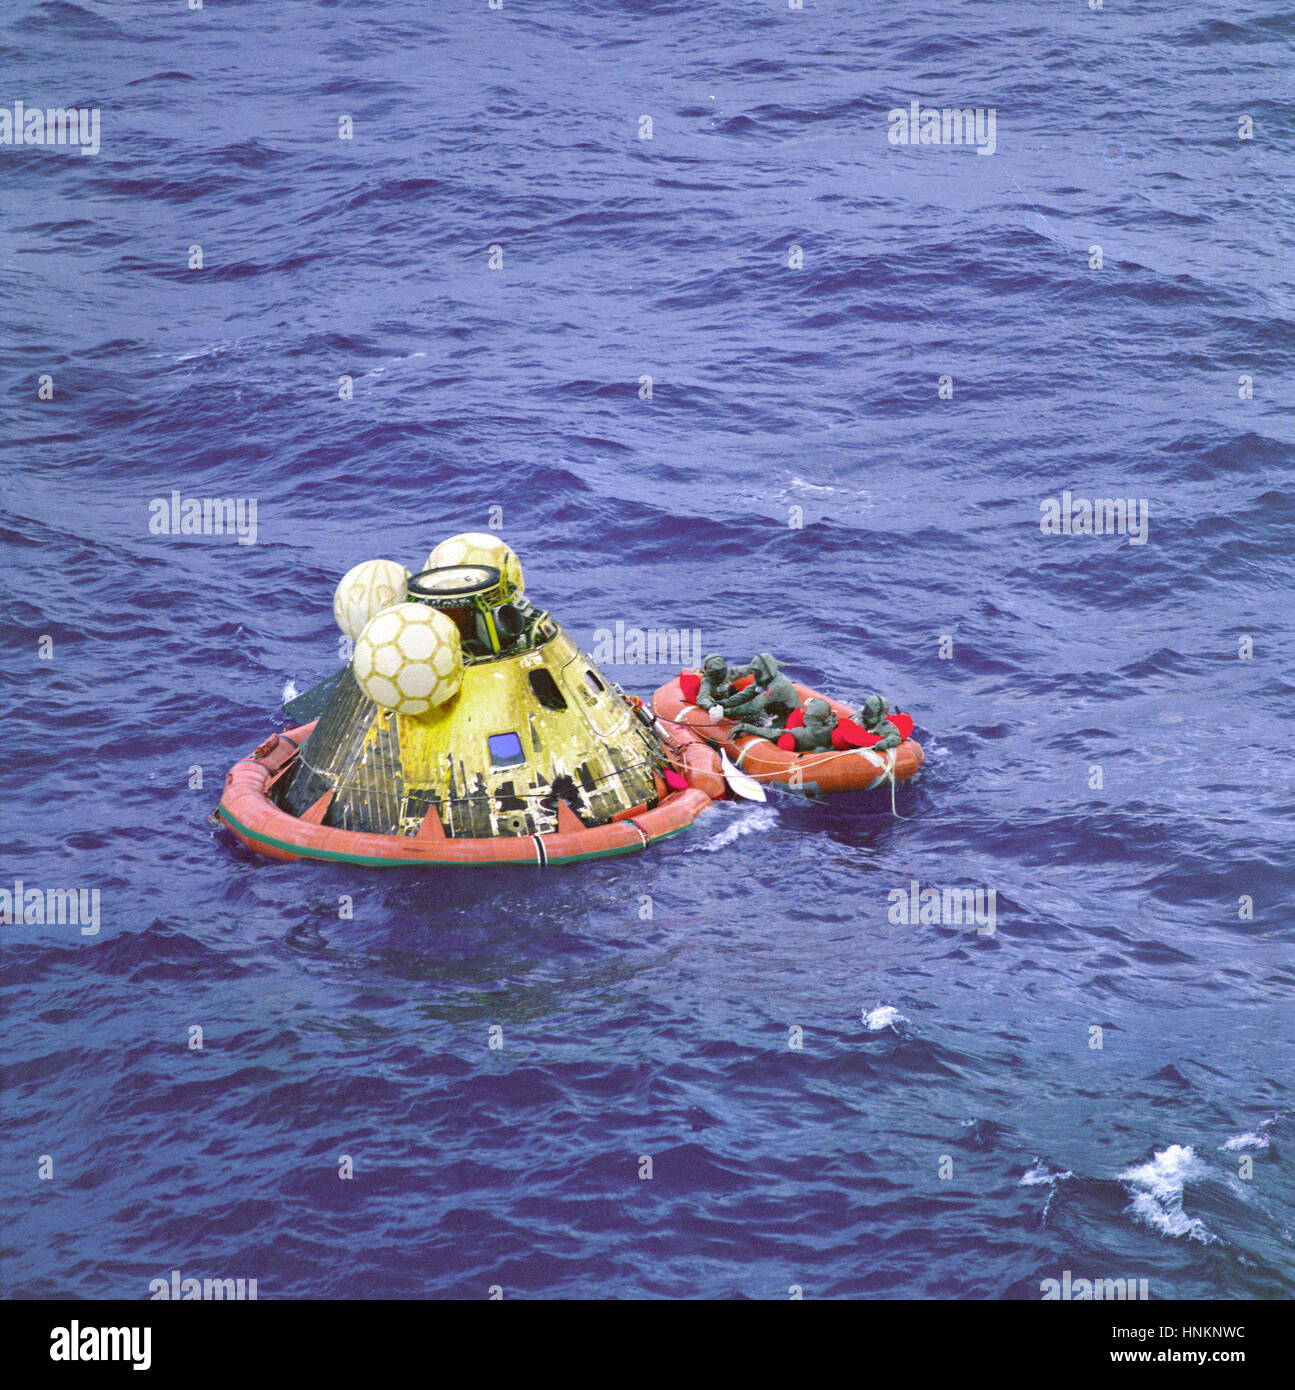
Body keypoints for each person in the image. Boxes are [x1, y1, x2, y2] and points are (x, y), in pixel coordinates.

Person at [719, 653, 802, 726]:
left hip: (786, 719)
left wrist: (724, 712)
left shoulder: (776, 686)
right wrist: (723, 703)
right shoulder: (764, 679)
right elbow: (746, 694)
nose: (755, 674)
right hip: (773, 713)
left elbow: (754, 707)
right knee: (749, 718)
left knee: (748, 727)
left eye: (757, 672)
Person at [734, 697, 836, 751]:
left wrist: (746, 727)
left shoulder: (799, 732)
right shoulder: (833, 725)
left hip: (784, 727)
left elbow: (772, 733)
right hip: (783, 721)